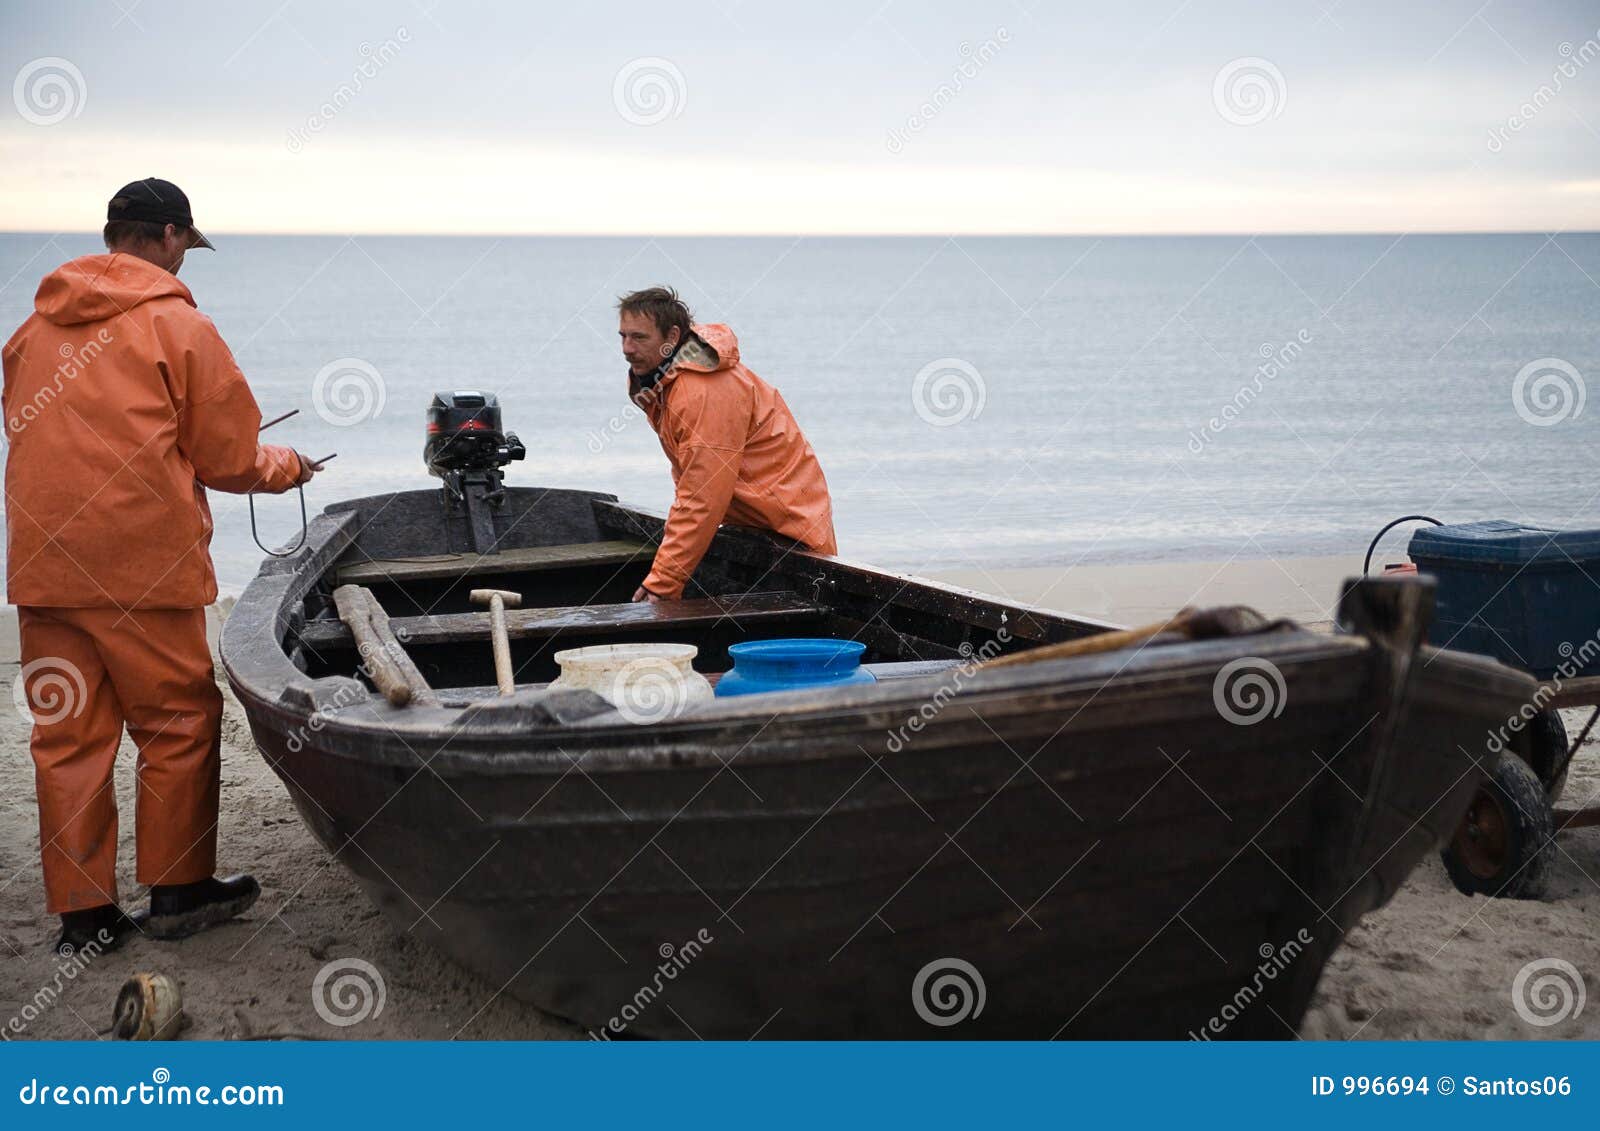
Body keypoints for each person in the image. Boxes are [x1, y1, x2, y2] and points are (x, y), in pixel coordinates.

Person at [2, 178, 321, 956]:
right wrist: (289, 466)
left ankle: (84, 918)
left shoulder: (32, 327)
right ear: (173, 237)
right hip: (143, 565)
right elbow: (228, 457)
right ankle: (177, 891)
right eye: (187, 245)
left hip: (44, 564)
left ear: (113, 233)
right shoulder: (179, 325)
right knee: (177, 721)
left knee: (67, 736)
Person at [616, 287, 836, 601]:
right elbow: (692, 479)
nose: (627, 348)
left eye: (639, 338)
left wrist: (663, 583)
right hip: (753, 523)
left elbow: (702, 495)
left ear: (672, 336)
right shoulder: (664, 380)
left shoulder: (699, 391)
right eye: (622, 336)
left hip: (789, 531)